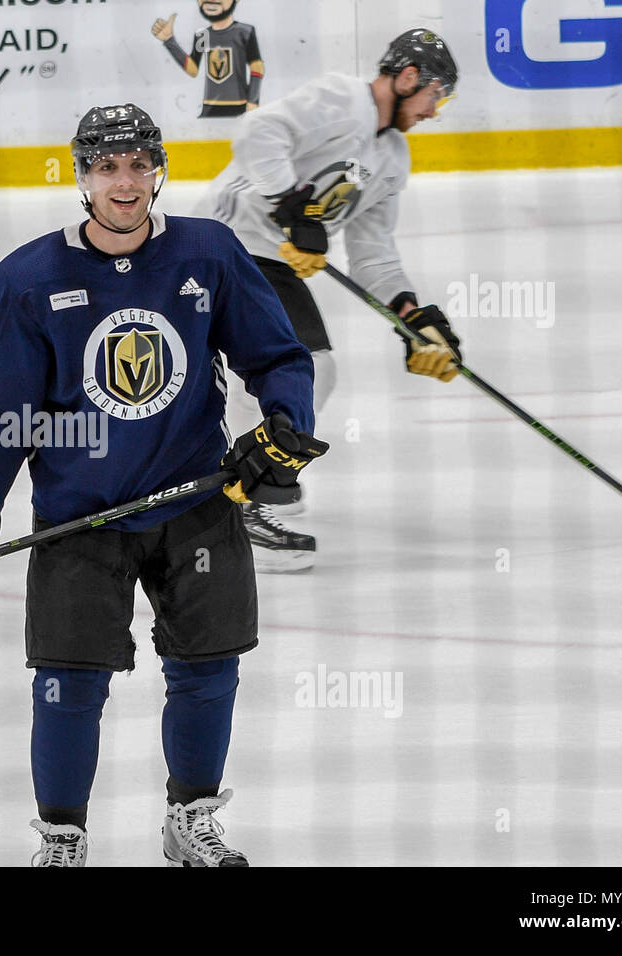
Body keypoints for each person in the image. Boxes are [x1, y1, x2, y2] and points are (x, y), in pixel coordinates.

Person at [0, 104, 327, 866]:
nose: (125, 183)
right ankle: (64, 839)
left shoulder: (209, 253)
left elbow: (279, 357)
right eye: (108, 167)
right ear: (82, 177)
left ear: (157, 170)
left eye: (138, 165)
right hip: (80, 521)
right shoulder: (29, 278)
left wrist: (285, 429)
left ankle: (190, 819)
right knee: (68, 686)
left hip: (197, 502)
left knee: (207, 671)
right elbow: (10, 414)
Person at [197, 28, 463, 572]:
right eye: (435, 95)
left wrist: (413, 317)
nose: (434, 111)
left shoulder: (390, 156)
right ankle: (236, 500)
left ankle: (235, 483)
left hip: (268, 258)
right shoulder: (343, 100)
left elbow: (373, 254)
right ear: (408, 77)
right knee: (305, 367)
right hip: (225, 241)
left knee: (309, 369)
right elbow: (257, 133)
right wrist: (294, 207)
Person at [151, 1, 264, 117]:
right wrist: (169, 41)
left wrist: (253, 101)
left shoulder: (244, 32)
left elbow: (257, 67)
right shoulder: (202, 35)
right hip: (210, 106)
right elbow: (193, 69)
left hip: (238, 105)